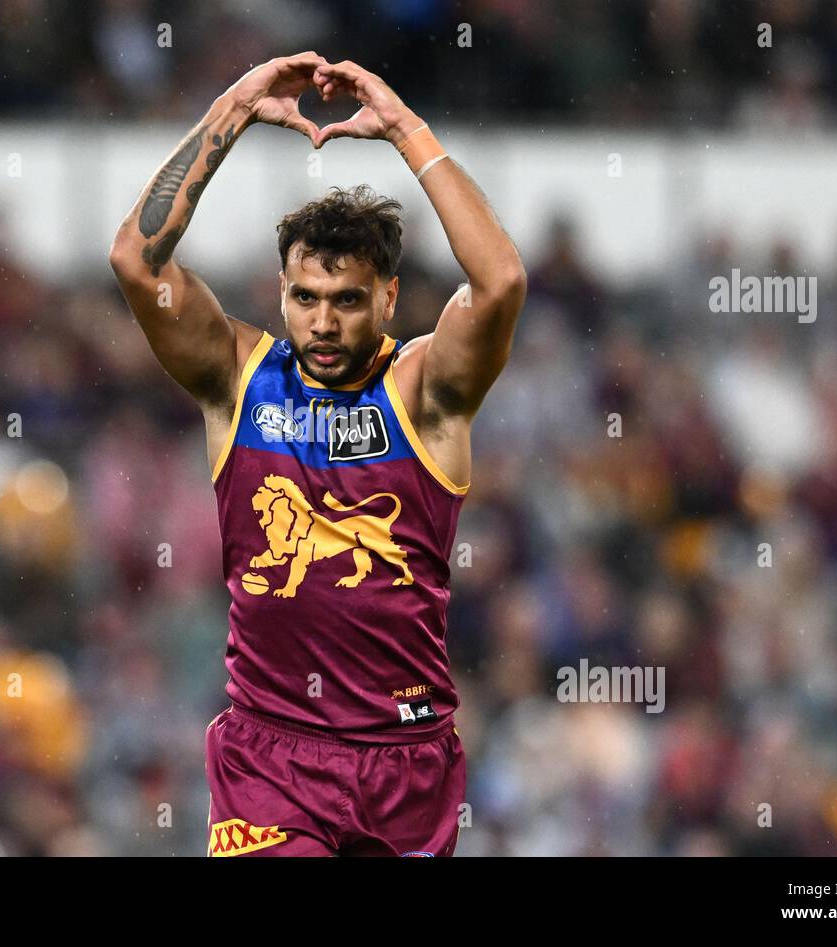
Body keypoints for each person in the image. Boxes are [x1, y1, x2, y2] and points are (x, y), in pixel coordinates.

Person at [108, 52, 526, 856]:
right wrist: (233, 105)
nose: (323, 324)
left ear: (390, 299)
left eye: (347, 301)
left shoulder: (424, 392)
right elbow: (136, 260)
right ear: (280, 293)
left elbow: (501, 282)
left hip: (408, 761)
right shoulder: (237, 378)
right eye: (305, 298)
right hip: (270, 758)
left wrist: (405, 129)